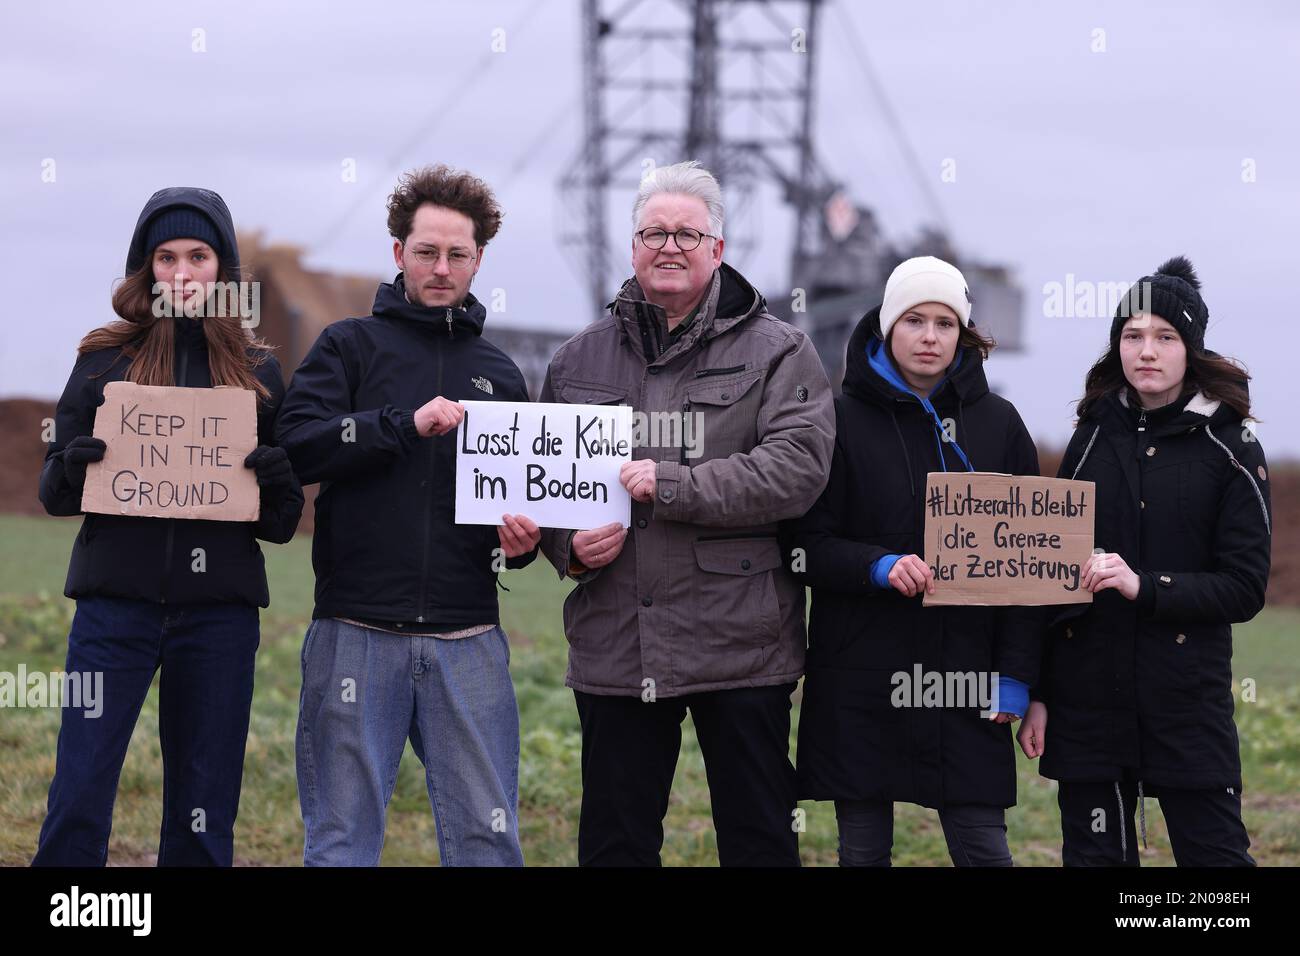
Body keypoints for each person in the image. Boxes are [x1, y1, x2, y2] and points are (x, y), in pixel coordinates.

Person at [537, 160, 835, 866]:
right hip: (618, 639)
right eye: (654, 232)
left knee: (759, 839)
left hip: (741, 642)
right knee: (616, 841)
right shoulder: (577, 359)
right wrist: (567, 549)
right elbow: (542, 487)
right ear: (632, 246)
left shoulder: (780, 352)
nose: (669, 246)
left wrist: (671, 485)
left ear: (718, 250)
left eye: (687, 234)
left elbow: (797, 472)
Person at [276, 165, 540, 867]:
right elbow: (296, 446)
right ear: (399, 253)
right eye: (427, 251)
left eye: (458, 254)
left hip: (469, 636)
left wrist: (519, 544)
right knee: (340, 843)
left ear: (479, 259)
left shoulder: (502, 373)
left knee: (488, 841)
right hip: (355, 631)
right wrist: (400, 424)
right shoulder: (347, 346)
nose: (442, 267)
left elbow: (513, 502)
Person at [33, 187, 303, 866]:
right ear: (146, 269)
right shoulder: (102, 360)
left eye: (199, 255)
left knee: (204, 806)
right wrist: (73, 463)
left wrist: (277, 477)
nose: (183, 272)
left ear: (223, 269)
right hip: (111, 611)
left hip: (218, 619)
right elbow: (53, 494)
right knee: (79, 791)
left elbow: (280, 522)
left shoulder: (259, 371)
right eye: (166, 257)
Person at [784, 256, 1041, 866]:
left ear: (964, 334)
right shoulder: (838, 421)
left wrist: (1016, 675)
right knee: (863, 848)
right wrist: (878, 567)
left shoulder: (1000, 425)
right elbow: (803, 547)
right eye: (915, 321)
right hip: (862, 670)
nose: (930, 337)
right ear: (886, 325)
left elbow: (1034, 571)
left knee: (983, 846)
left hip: (969, 672)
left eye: (946, 324)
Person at [1018, 256, 1270, 867]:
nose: (1146, 351)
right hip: (1088, 698)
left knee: (1216, 868)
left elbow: (1243, 587)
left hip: (1185, 700)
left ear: (1192, 349)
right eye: (1133, 336)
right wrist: (1042, 690)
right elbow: (1052, 569)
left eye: (1165, 336)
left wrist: (1144, 586)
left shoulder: (1231, 444)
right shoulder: (1091, 435)